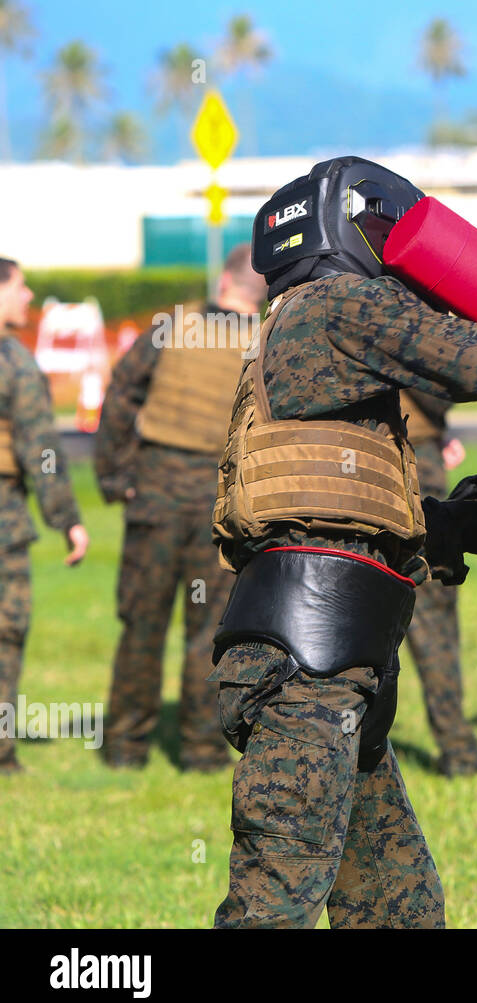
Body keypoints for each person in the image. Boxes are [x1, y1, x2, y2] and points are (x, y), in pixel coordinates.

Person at [208, 157, 477, 928]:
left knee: (398, 905)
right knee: (273, 905)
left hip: (335, 664)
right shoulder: (334, 307)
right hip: (305, 671)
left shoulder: (305, 332)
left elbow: (364, 516)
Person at [95, 244, 266, 770]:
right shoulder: (265, 341)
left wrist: (114, 474)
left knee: (141, 623)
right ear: (259, 291)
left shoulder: (174, 325)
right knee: (209, 630)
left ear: (222, 281)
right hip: (221, 501)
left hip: (154, 493)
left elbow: (122, 392)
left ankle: (125, 747)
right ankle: (200, 750)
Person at [0, 257, 89, 773]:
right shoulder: (13, 360)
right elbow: (41, 449)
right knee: (6, 634)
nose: (28, 296)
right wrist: (67, 519)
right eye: (18, 286)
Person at [398, 390, 477, 776]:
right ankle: (459, 753)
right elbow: (440, 377)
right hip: (413, 456)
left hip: (341, 461)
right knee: (432, 615)